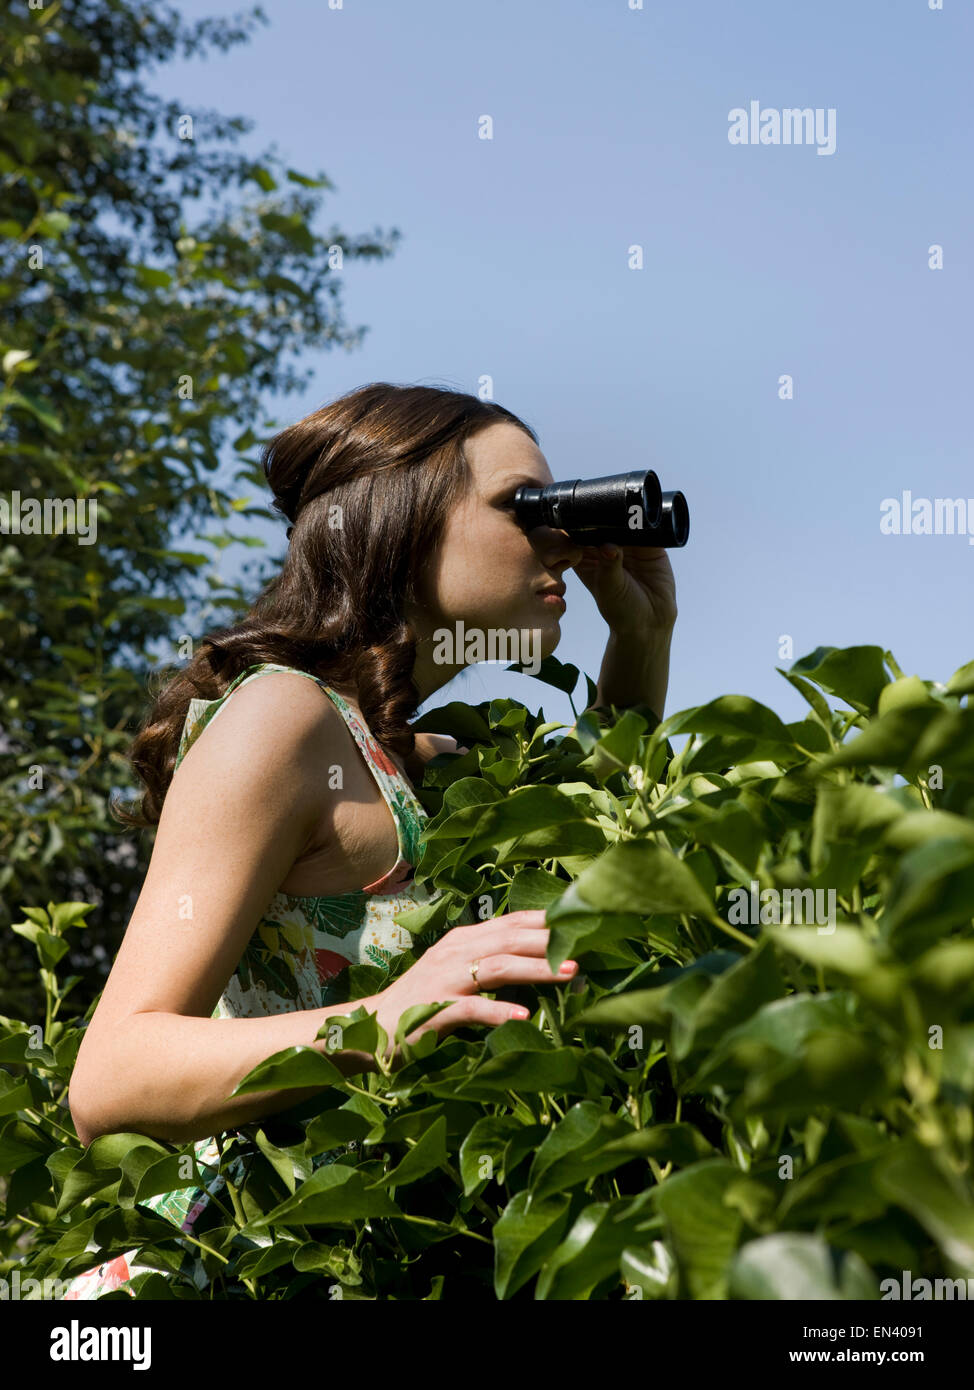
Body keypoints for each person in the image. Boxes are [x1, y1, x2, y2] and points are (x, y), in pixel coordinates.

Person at [61, 381, 678, 1298]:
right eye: (522, 508)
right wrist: (391, 1017)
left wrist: (645, 632)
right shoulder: (285, 716)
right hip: (213, 1276)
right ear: (399, 519)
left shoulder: (431, 762)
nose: (559, 537)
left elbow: (596, 852)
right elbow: (112, 1076)